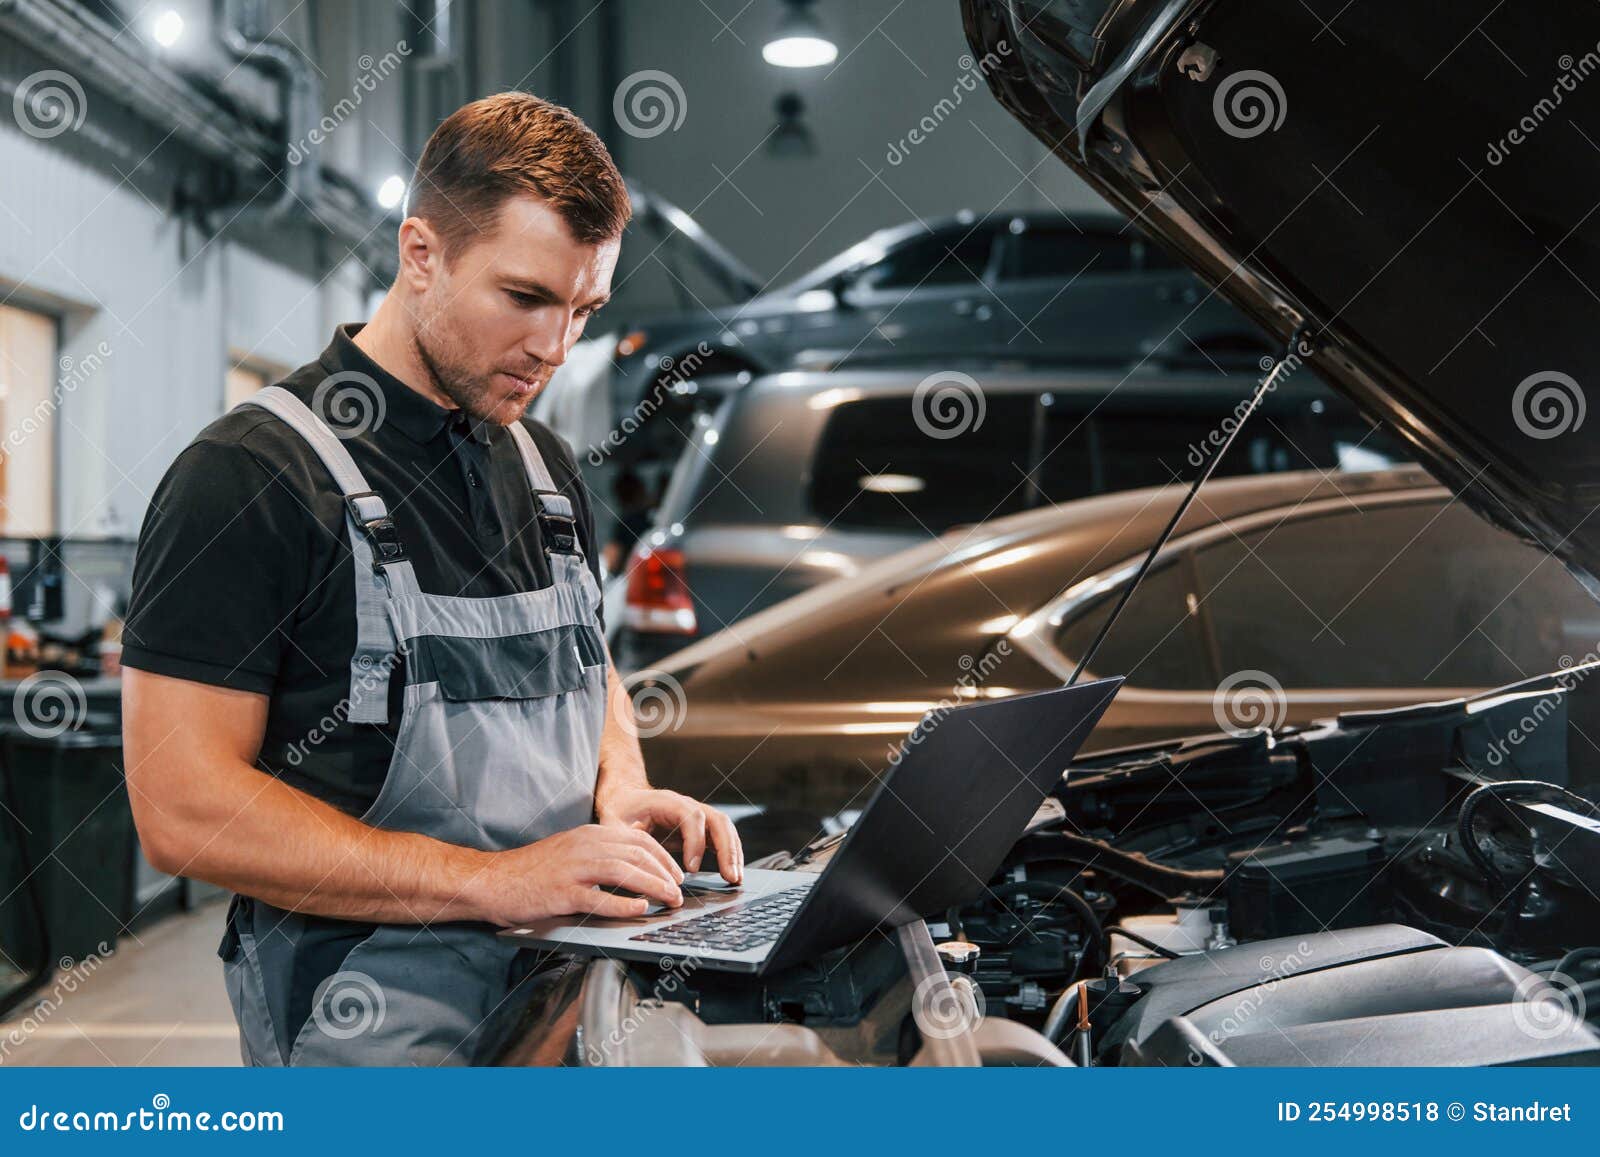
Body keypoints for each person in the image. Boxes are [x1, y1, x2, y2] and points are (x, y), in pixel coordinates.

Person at [120, 92, 743, 1067]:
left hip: (562, 991)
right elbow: (182, 806)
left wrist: (620, 787)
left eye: (584, 309)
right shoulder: (252, 477)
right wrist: (495, 882)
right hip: (369, 1025)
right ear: (422, 253)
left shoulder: (539, 463)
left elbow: (582, 658)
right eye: (526, 298)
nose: (555, 347)